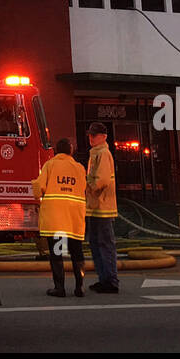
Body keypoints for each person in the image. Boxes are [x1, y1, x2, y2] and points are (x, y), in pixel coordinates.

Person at [32, 137, 87, 298]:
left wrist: (34, 185)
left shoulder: (50, 165)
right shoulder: (79, 168)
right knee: (77, 252)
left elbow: (40, 188)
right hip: (74, 218)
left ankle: (60, 288)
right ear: (71, 151)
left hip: (56, 219)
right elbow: (83, 188)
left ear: (57, 150)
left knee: (58, 252)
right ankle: (80, 287)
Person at [84, 122, 119, 293]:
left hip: (102, 207)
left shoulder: (103, 154)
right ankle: (104, 278)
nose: (91, 138)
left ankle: (110, 280)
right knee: (97, 243)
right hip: (96, 206)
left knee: (104, 243)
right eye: (90, 135)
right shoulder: (95, 153)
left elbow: (101, 180)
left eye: (94, 135)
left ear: (103, 136)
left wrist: (89, 186)